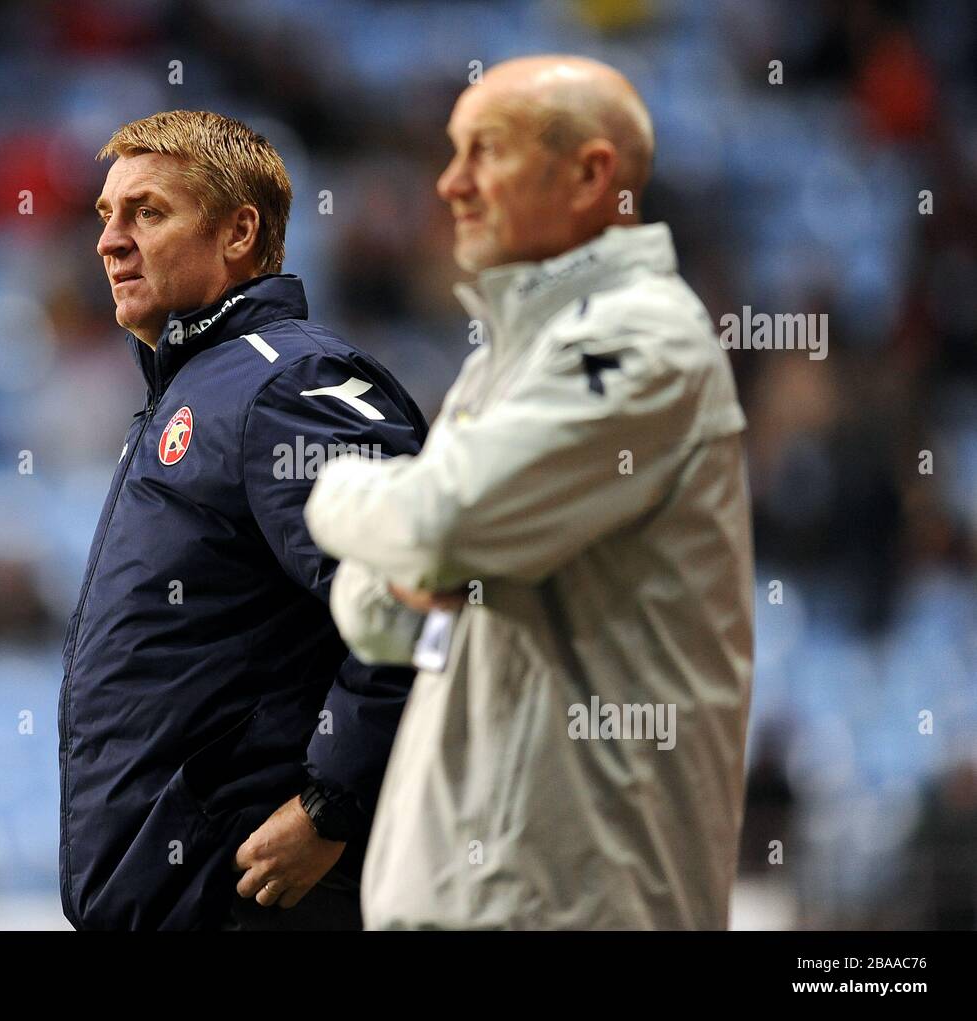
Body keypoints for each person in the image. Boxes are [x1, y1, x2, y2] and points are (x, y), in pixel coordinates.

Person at [304, 56, 755, 929]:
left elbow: (434, 521)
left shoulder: (645, 339)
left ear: (591, 175)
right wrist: (419, 547)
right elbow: (375, 613)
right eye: (452, 151)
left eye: (486, 152)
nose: (451, 182)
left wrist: (334, 488)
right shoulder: (502, 362)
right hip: (480, 889)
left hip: (576, 899)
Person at [57, 110, 428, 930]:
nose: (110, 240)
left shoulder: (284, 383)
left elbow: (418, 585)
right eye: (105, 215)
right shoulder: (188, 398)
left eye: (147, 212)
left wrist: (332, 802)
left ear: (239, 232)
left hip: (265, 896)